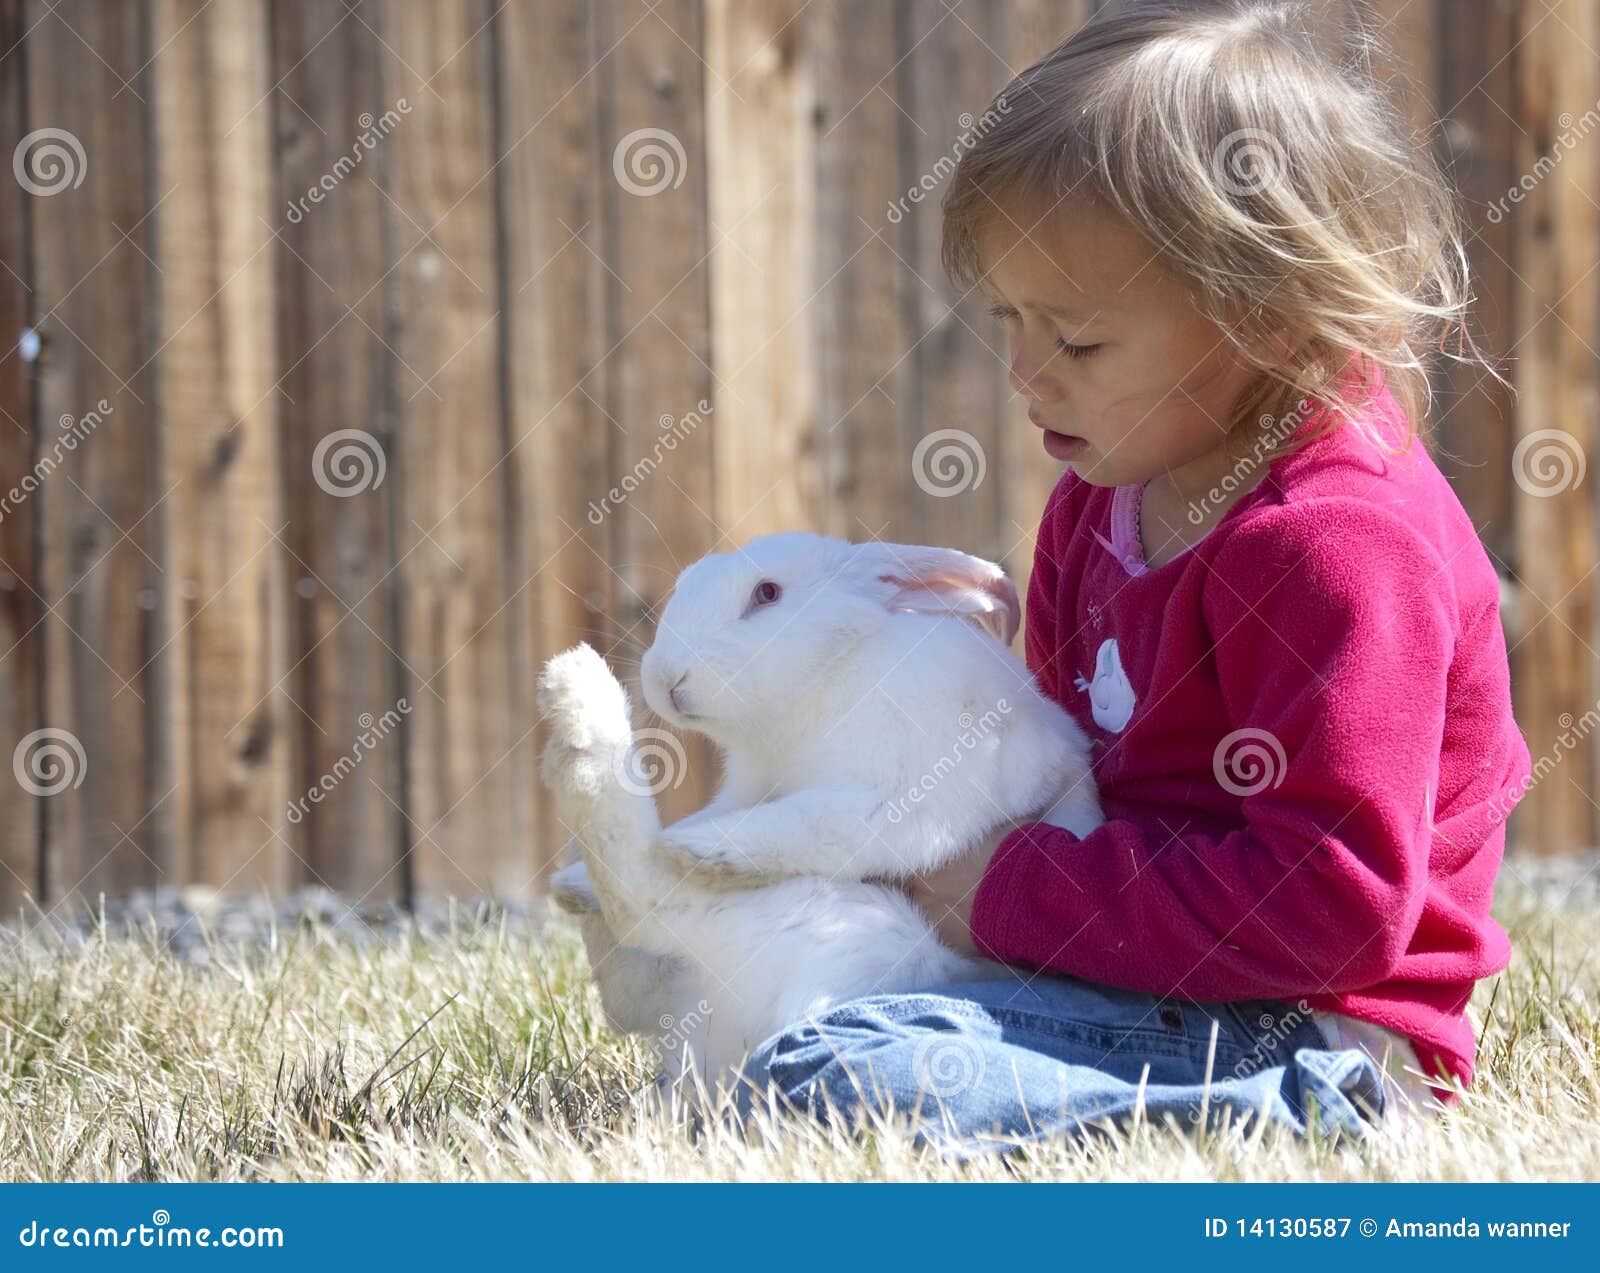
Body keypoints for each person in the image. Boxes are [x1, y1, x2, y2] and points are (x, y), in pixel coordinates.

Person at [730, 0, 1532, 1158]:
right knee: (802, 1009)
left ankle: (1321, 1121)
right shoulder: (1099, 504)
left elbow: (1330, 911)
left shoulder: (1335, 546)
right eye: (1010, 321)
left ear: (1265, 315)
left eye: (1079, 342)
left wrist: (997, 896)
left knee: (826, 1063)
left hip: (1304, 1026)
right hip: (1135, 981)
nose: (1025, 376)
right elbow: (1059, 780)